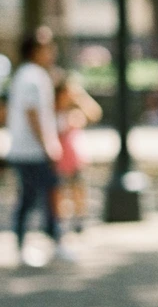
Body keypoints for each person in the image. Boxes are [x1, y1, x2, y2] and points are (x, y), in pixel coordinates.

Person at [6, 29, 72, 265]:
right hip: (32, 151)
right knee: (46, 194)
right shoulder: (33, 76)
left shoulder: (27, 75)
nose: (52, 51)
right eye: (47, 47)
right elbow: (33, 114)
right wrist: (48, 145)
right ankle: (53, 241)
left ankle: (30, 244)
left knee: (32, 197)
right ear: (35, 50)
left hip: (25, 149)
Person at [54, 75, 103, 234]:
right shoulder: (53, 111)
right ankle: (60, 221)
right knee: (60, 190)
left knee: (78, 188)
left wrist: (81, 96)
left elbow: (95, 113)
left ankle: (79, 219)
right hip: (59, 157)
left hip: (76, 156)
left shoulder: (75, 109)